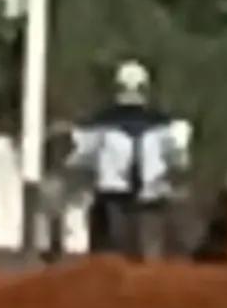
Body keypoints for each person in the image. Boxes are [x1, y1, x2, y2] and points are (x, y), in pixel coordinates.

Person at [70, 62, 184, 258]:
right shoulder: (165, 126)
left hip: (112, 199)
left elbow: (81, 157)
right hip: (150, 200)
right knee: (151, 258)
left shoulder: (99, 124)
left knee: (107, 256)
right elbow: (179, 159)